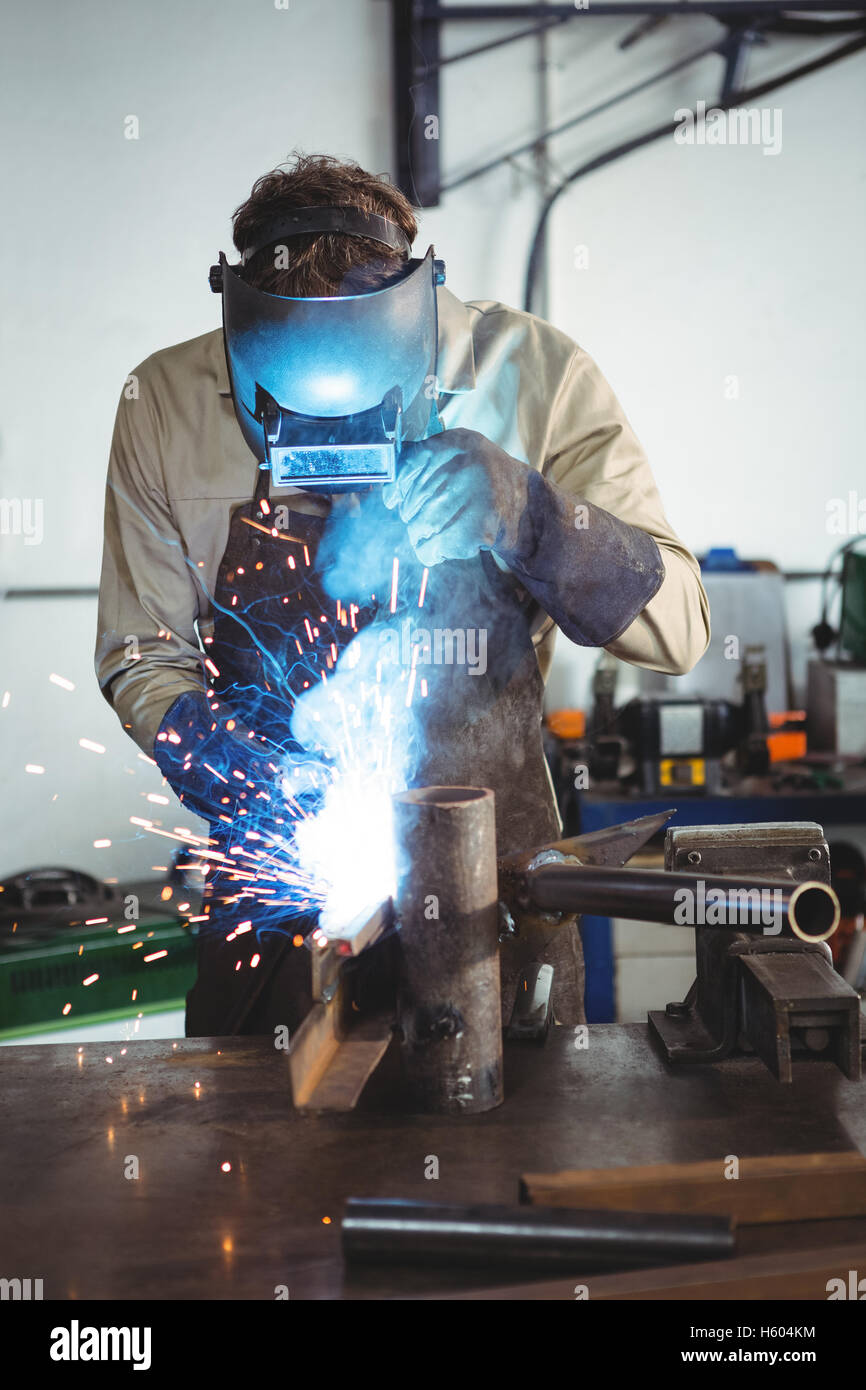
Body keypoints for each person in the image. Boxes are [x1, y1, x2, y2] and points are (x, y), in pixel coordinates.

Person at [96, 153, 710, 1037]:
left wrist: (530, 513)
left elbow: (681, 628)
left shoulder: (536, 372)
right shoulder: (164, 400)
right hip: (279, 897)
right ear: (240, 322)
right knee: (256, 1164)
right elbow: (139, 652)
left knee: (511, 1154)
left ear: (419, 312)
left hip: (495, 894)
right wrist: (251, 783)